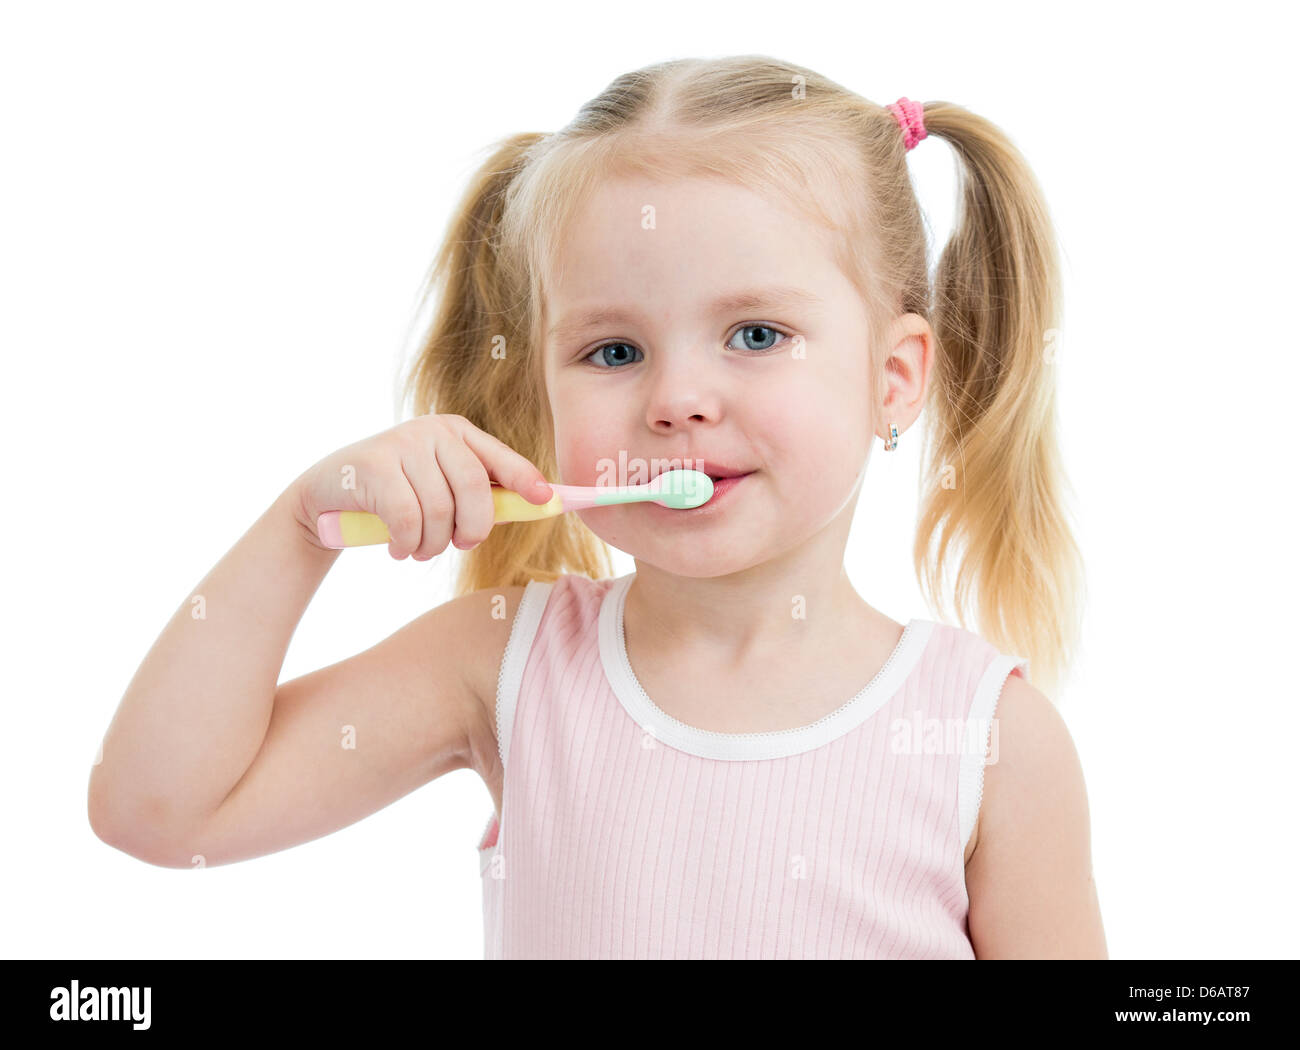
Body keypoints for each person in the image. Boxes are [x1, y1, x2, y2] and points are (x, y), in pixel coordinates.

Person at [89, 55, 1106, 959]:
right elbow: (158, 811)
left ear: (892, 376)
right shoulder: (500, 663)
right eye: (613, 352)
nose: (674, 401)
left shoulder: (988, 740)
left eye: (755, 334)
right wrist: (296, 530)